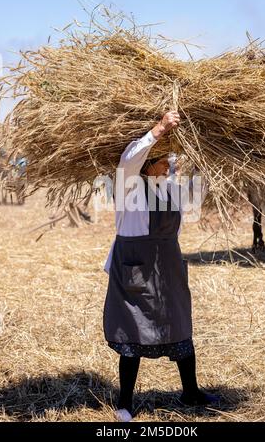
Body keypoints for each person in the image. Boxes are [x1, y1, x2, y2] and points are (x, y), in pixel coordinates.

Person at [103, 110, 219, 422]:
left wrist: (207, 147)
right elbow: (130, 157)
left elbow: (199, 195)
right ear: (148, 162)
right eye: (164, 160)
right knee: (132, 330)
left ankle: (190, 392)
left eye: (171, 161)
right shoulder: (128, 184)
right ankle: (125, 404)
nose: (171, 165)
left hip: (167, 264)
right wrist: (158, 129)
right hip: (135, 267)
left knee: (179, 323)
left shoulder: (170, 188)